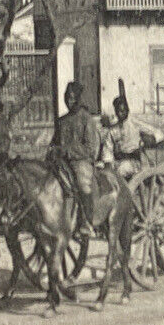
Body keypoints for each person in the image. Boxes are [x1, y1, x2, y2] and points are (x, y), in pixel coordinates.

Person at [53, 80, 101, 238]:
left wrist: (68, 151)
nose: (69, 101)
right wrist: (51, 150)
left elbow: (90, 148)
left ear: (79, 99)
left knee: (82, 184)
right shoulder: (62, 121)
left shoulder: (87, 119)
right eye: (67, 98)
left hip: (81, 161)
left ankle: (87, 222)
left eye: (73, 98)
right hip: (62, 162)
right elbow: (54, 142)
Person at [105, 95, 164, 179]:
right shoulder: (113, 130)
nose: (120, 113)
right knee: (104, 171)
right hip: (119, 160)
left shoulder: (135, 123)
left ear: (127, 110)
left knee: (121, 170)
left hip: (136, 161)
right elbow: (108, 148)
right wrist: (108, 163)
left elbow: (157, 133)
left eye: (122, 111)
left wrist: (151, 142)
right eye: (117, 111)